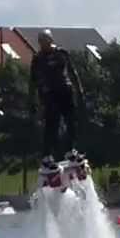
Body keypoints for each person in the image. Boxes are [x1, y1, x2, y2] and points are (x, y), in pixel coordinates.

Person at [29, 29, 86, 170]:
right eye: (40, 42)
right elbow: (32, 81)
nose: (43, 44)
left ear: (50, 40)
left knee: (71, 122)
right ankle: (47, 157)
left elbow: (72, 71)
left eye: (45, 41)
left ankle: (70, 151)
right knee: (52, 126)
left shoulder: (61, 53)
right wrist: (32, 99)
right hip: (49, 94)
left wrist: (79, 89)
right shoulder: (38, 58)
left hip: (65, 91)